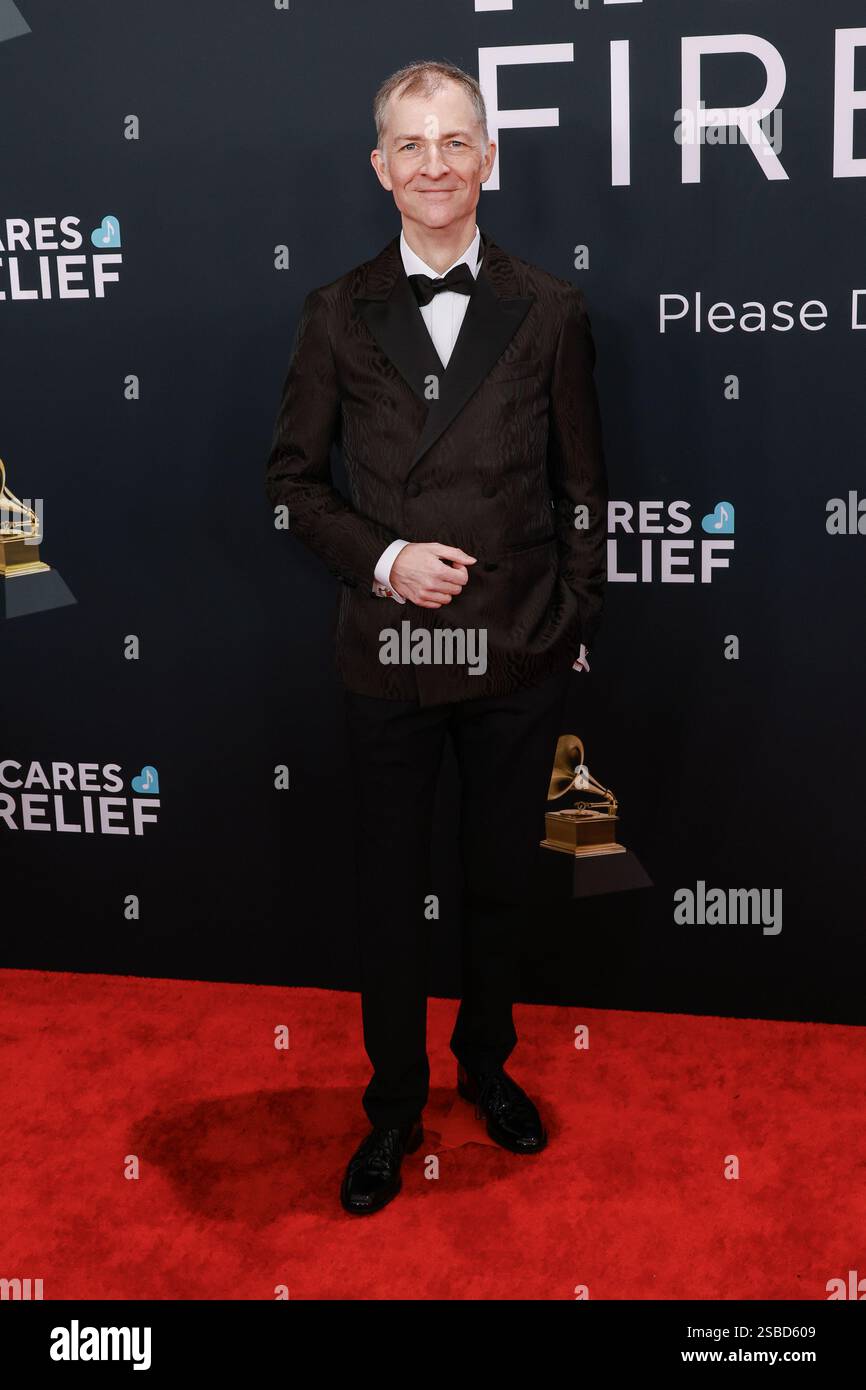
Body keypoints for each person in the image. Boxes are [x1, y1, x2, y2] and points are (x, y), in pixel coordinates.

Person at [265, 59, 608, 1215]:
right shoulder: (331, 309)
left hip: (514, 648)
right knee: (390, 894)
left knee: (501, 882)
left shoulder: (551, 307)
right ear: (379, 167)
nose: (433, 165)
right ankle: (393, 1106)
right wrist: (383, 558)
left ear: (488, 159)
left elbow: (583, 488)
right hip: (389, 651)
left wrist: (568, 624)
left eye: (454, 142)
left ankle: (487, 1067)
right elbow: (292, 484)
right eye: (410, 146)